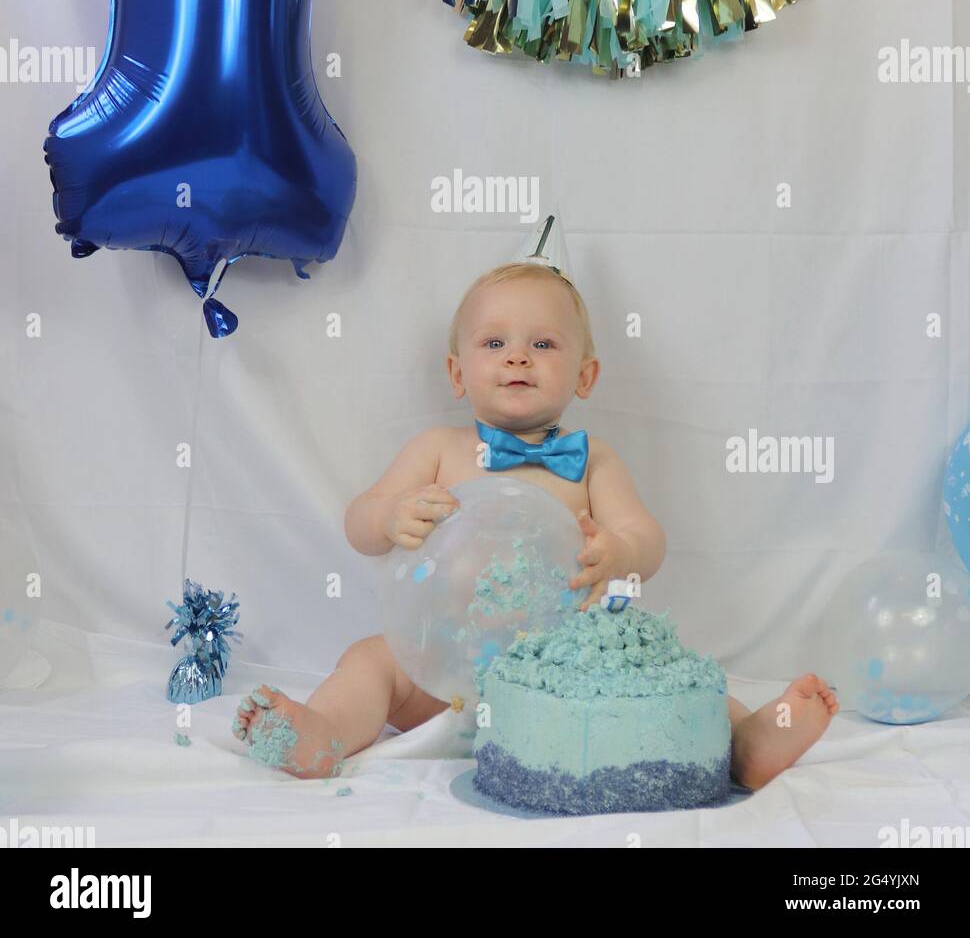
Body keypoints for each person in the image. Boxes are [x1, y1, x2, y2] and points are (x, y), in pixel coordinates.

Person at [233, 262, 837, 785]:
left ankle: (746, 746)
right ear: (456, 371)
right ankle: (321, 734)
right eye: (493, 343)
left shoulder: (592, 459)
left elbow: (648, 538)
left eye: (543, 344)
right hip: (440, 676)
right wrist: (389, 515)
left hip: (572, 679)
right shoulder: (438, 448)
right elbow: (357, 524)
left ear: (585, 376)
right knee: (369, 661)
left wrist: (619, 551)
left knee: (670, 671)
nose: (517, 356)